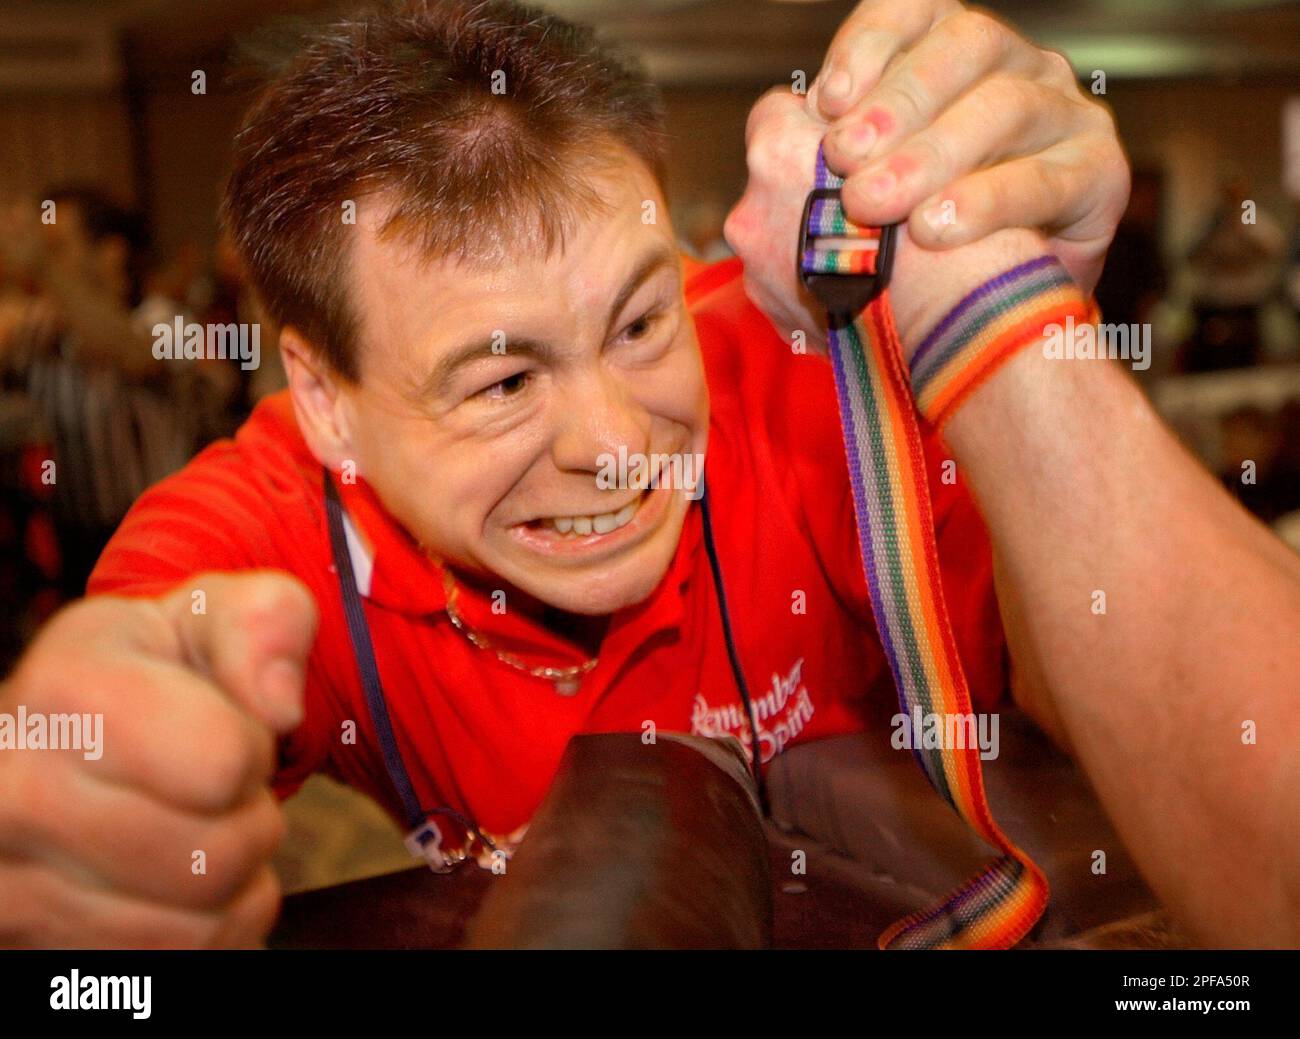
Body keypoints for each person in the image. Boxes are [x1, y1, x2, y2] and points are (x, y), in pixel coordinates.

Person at [2, 0, 1295, 951]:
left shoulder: (820, 368)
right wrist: (89, 793)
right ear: (328, 402)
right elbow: (138, 662)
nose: (616, 435)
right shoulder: (283, 522)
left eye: (639, 323)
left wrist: (1016, 329)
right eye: (503, 383)